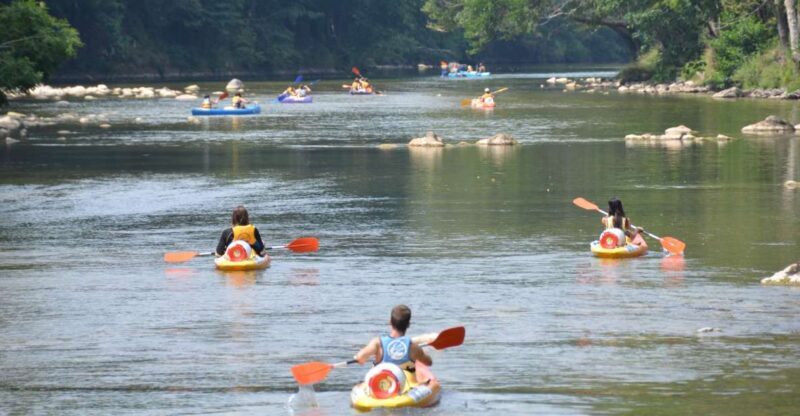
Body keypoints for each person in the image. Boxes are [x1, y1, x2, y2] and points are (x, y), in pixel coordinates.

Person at [354, 305, 432, 369]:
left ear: (390, 322)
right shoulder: (414, 347)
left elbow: (360, 357)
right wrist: (422, 353)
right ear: (408, 325)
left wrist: (359, 358)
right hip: (402, 385)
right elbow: (429, 362)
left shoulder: (378, 343)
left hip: (383, 384)